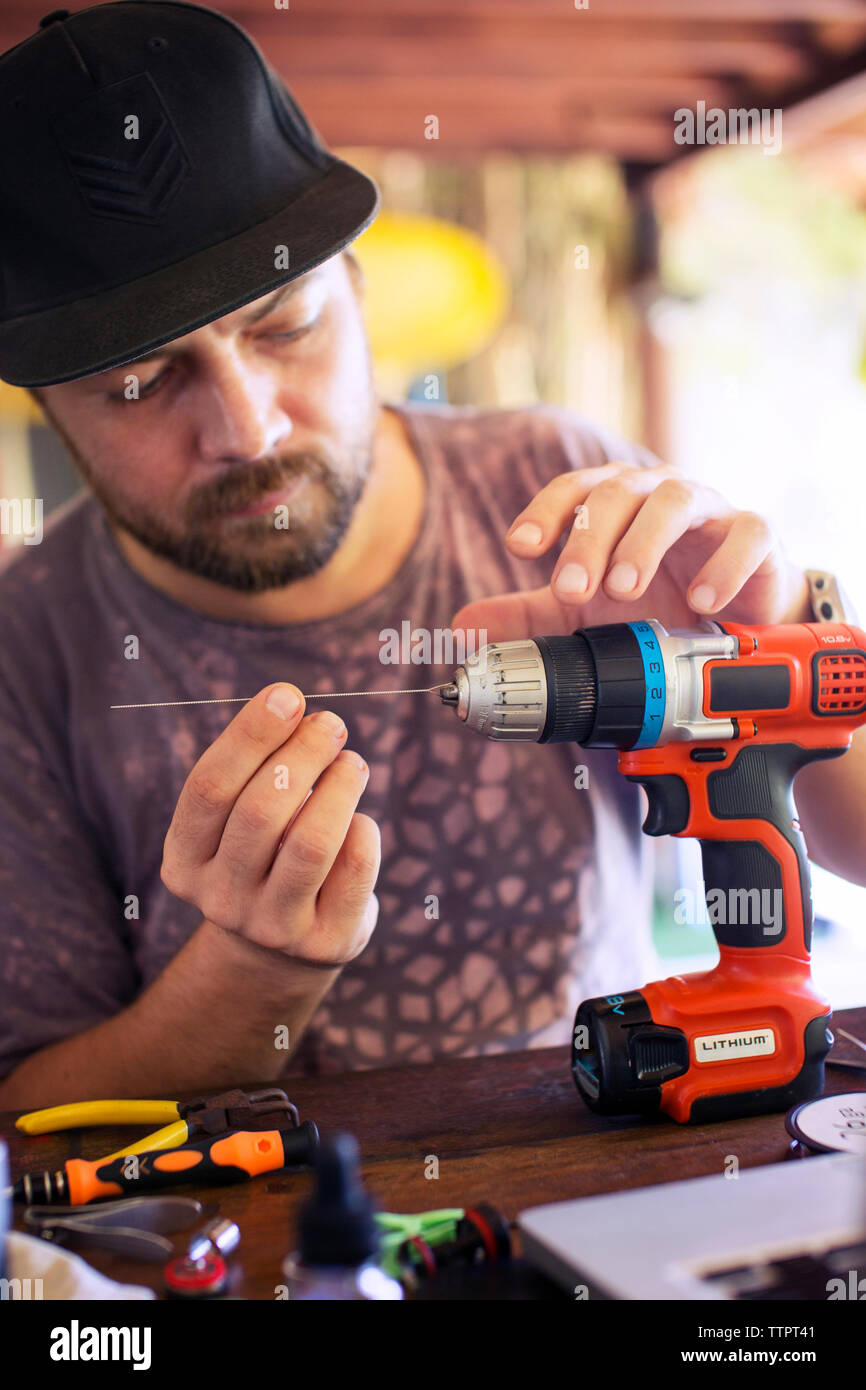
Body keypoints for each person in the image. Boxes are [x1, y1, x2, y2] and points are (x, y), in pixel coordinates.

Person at [0, 4, 863, 1107]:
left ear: (356, 288)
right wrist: (252, 974)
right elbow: (27, 1116)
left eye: (282, 327)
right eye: (138, 382)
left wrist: (776, 630)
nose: (248, 428)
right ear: (47, 407)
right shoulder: (25, 654)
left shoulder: (558, 482)